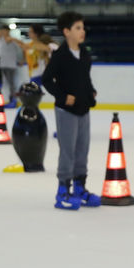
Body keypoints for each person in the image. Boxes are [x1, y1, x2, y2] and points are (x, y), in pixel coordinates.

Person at [42, 11, 101, 211]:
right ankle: (62, 191)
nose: (82, 31)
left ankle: (80, 188)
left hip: (83, 110)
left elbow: (84, 78)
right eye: (77, 28)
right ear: (66, 32)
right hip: (66, 111)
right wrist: (62, 96)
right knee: (67, 151)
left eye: (83, 27)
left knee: (82, 150)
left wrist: (90, 91)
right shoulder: (60, 56)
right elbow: (47, 80)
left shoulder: (84, 54)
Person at [0, 25, 24, 107]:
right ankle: (12, 99)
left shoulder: (13, 40)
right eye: (2, 30)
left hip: (10, 65)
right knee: (9, 83)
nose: (3, 32)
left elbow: (22, 47)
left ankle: (13, 100)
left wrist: (22, 59)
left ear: (8, 31)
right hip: (3, 64)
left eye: (4, 30)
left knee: (11, 83)